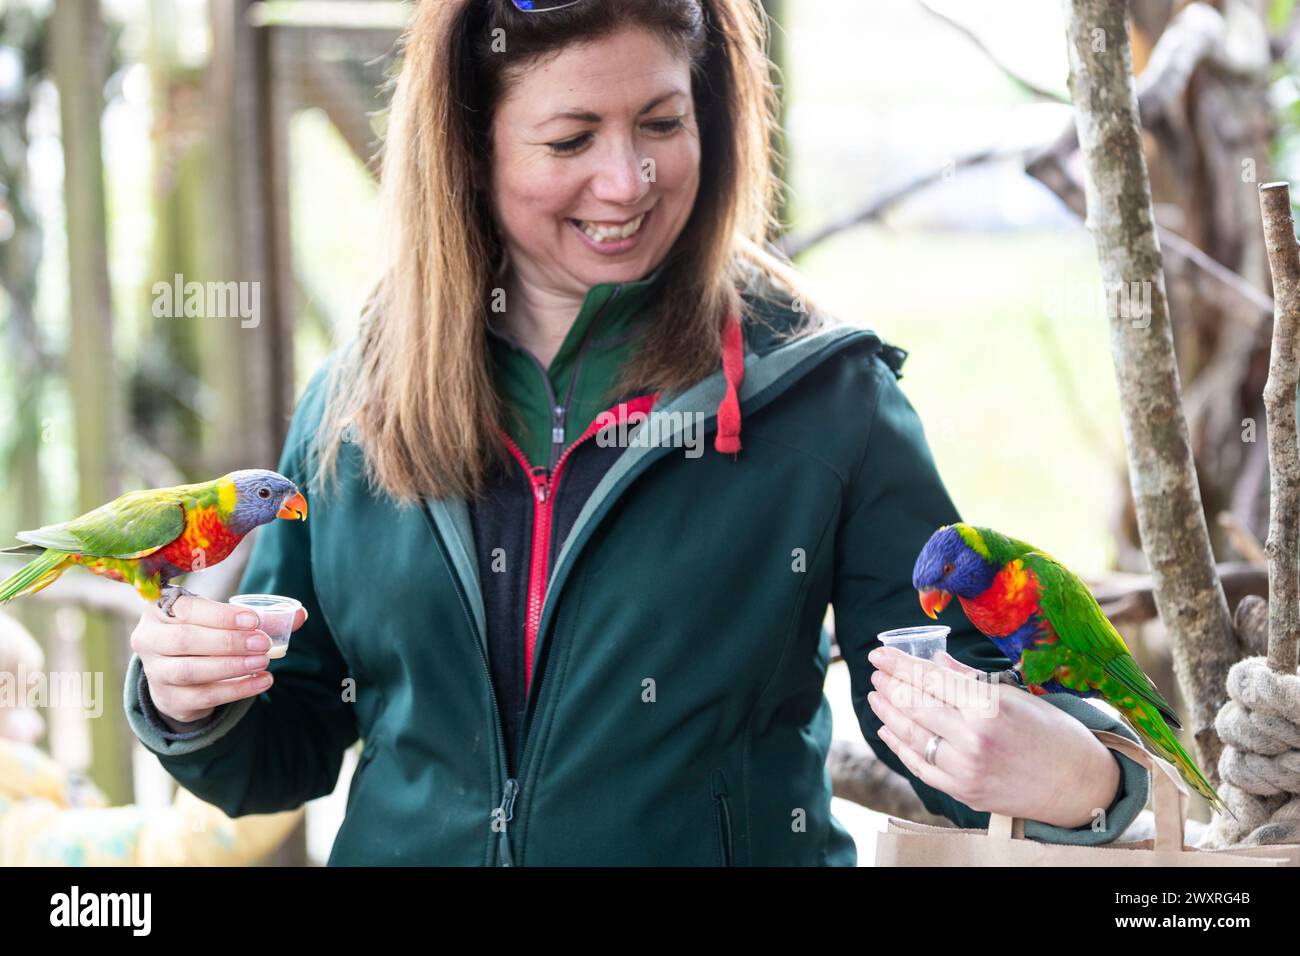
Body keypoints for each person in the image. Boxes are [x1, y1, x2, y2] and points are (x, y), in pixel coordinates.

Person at [123, 0, 1149, 865]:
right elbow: (285, 750)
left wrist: (1085, 775)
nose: (628, 181)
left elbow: (960, 715)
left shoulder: (825, 396)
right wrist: (189, 699)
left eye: (661, 123)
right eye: (571, 140)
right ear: (469, 148)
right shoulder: (356, 402)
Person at [0, 612, 302, 865]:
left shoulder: (28, 807)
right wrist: (282, 760)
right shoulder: (23, 843)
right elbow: (163, 849)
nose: (36, 725)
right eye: (15, 707)